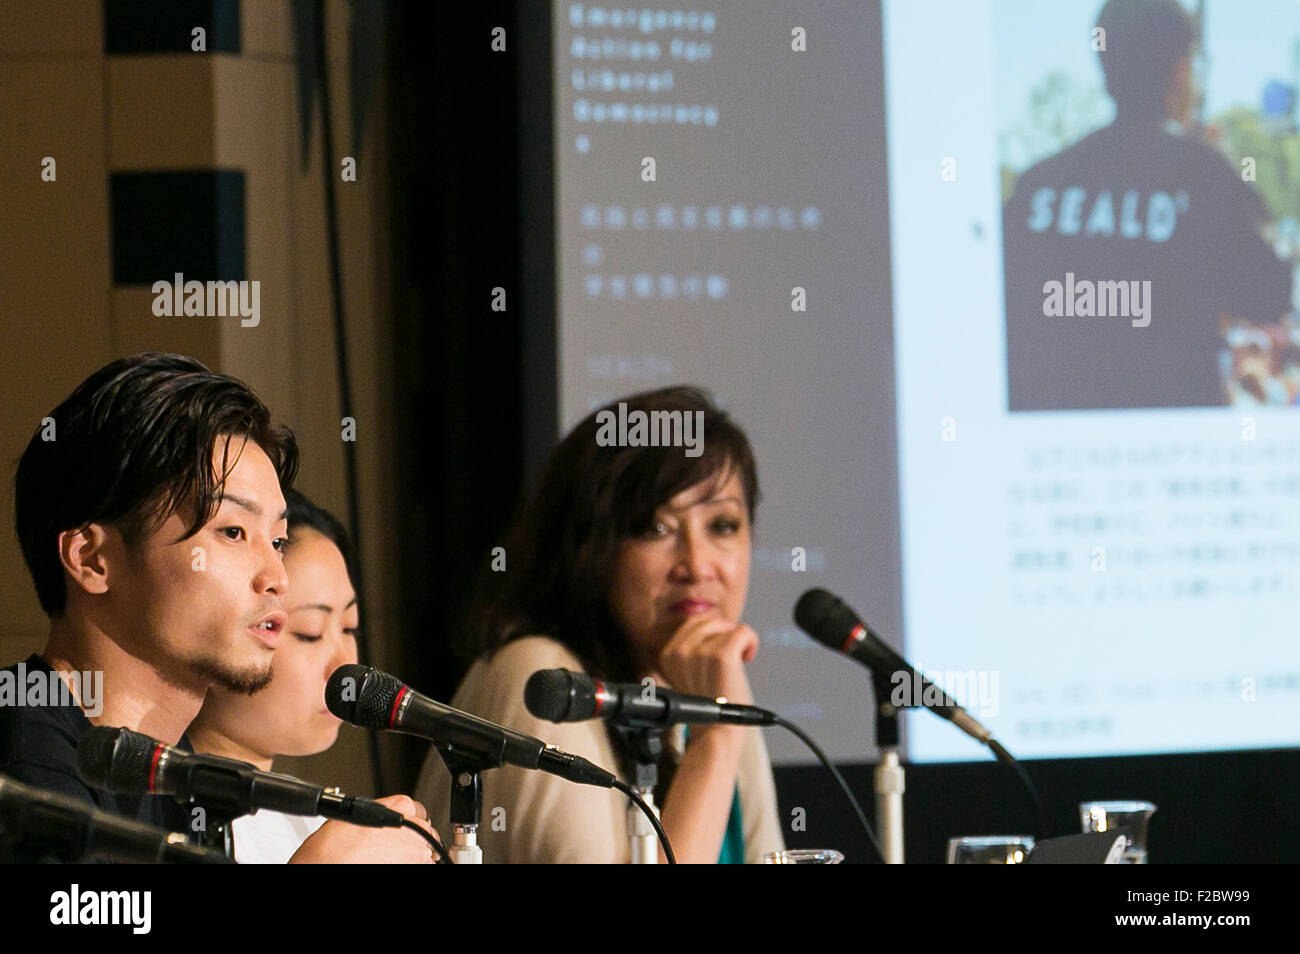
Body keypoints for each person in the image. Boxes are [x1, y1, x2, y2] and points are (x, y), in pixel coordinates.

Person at [0, 353, 434, 863]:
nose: (277, 579)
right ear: (93, 560)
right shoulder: (25, 765)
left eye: (276, 541)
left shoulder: (177, 779)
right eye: (232, 532)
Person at [414, 386, 785, 863]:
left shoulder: (711, 675)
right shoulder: (543, 680)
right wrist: (715, 742)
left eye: (723, 526)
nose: (697, 564)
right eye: (655, 529)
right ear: (590, 549)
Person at [1003, 0, 1292, 411]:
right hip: (1167, 442)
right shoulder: (1205, 174)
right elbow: (1268, 294)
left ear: (1106, 66)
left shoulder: (1036, 187)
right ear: (1179, 70)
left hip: (1053, 440)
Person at [188, 489, 371, 863]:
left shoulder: (312, 817)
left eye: (350, 627)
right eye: (310, 632)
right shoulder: (163, 819)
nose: (345, 668)